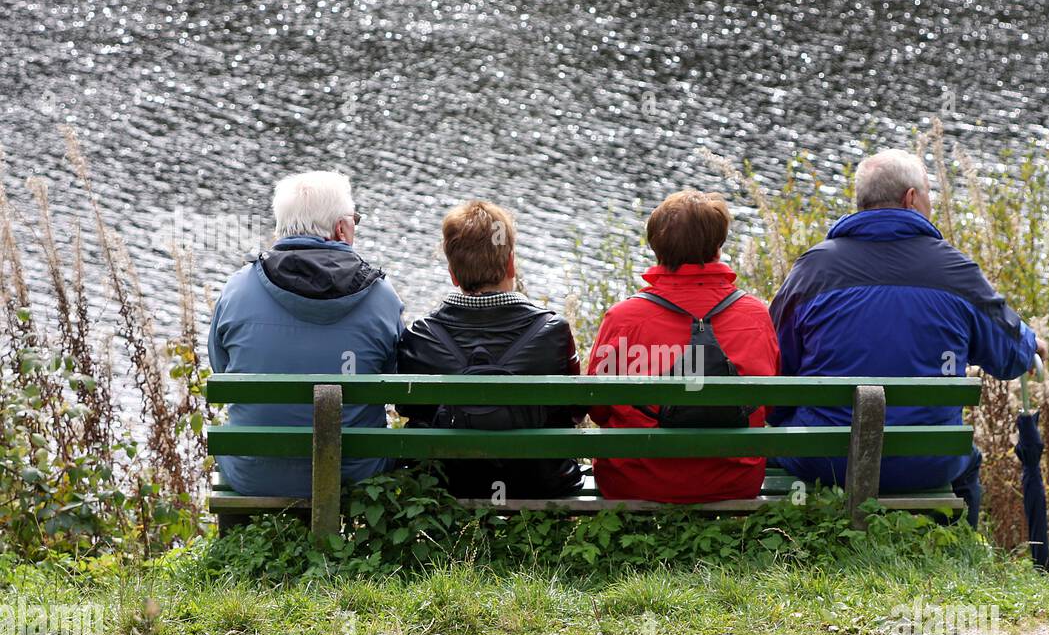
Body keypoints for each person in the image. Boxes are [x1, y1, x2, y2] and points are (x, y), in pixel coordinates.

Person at [767, 148, 1047, 527]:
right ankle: (958, 554)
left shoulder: (812, 269)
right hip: (927, 462)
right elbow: (1011, 356)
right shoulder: (955, 271)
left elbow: (777, 365)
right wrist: (1030, 344)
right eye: (930, 194)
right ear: (911, 198)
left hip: (826, 461)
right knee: (966, 462)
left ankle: (812, 541)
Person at [208, 170, 405, 497]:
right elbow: (394, 380)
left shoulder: (237, 290)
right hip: (354, 475)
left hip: (255, 473)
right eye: (355, 219)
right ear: (342, 228)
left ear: (280, 228)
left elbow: (222, 366)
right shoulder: (382, 297)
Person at [586, 190, 780, 503]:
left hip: (635, 479)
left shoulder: (624, 318)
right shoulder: (755, 314)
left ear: (656, 248)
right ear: (718, 246)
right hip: (733, 479)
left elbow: (598, 408)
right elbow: (767, 404)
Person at [396, 200, 584, 499]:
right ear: (511, 263)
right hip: (539, 482)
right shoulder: (554, 331)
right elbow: (575, 410)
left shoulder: (421, 335)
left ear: (453, 274)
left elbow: (410, 410)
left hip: (447, 484)